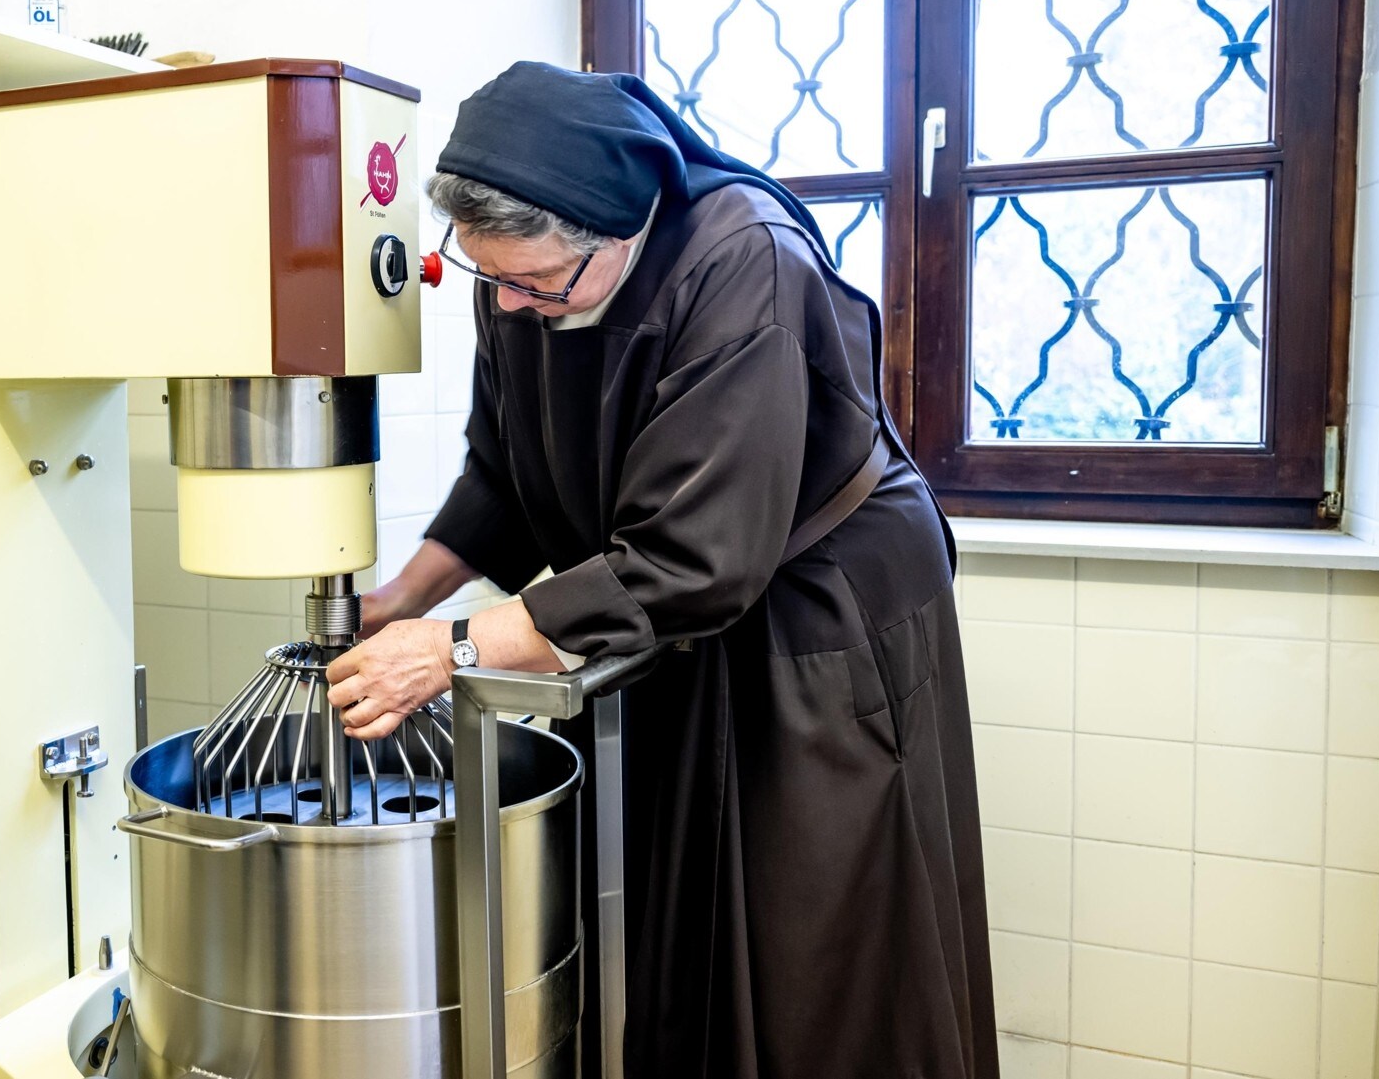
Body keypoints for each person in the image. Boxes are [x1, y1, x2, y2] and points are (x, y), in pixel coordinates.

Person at [324, 62, 996, 1078]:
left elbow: (693, 559)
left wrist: (452, 648)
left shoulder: (741, 261)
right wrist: (395, 605)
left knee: (807, 930)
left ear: (620, 230)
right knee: (684, 919)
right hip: (679, 596)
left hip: (815, 616)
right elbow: (505, 473)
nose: (508, 307)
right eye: (485, 277)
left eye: (533, 283)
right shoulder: (519, 282)